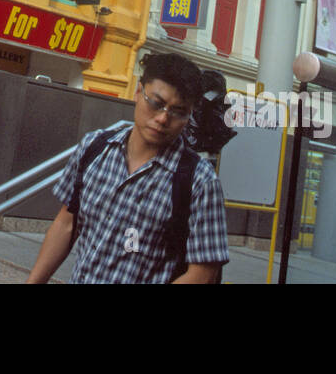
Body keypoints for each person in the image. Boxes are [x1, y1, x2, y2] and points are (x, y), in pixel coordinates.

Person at [26, 52, 229, 284]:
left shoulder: (200, 181)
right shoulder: (95, 148)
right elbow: (66, 223)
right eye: (157, 103)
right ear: (138, 91)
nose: (163, 119)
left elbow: (203, 272)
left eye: (178, 111)